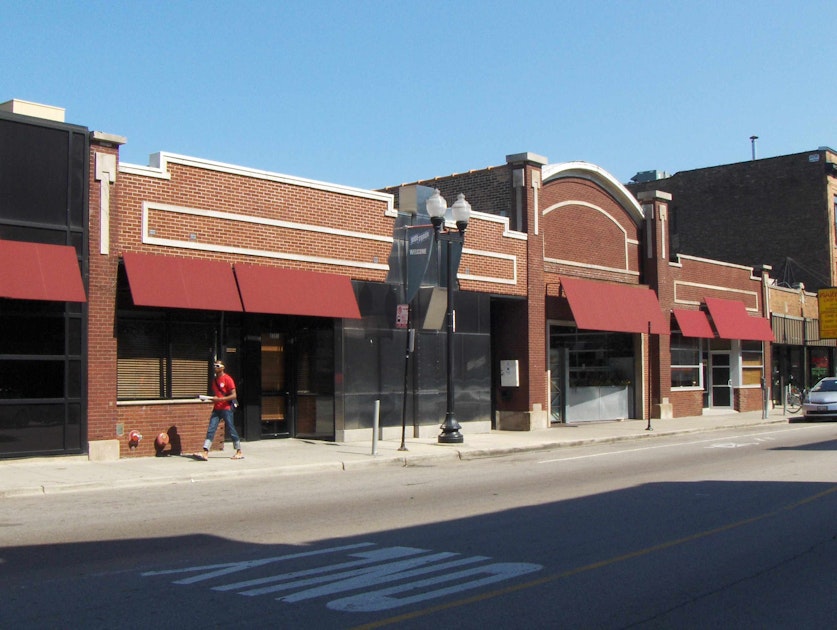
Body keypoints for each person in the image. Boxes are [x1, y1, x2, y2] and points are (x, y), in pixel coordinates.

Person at [196, 360, 243, 460]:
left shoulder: (228, 379)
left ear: (223, 367)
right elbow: (217, 395)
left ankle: (239, 451)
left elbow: (234, 395)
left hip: (226, 408)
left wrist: (221, 399)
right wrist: (210, 398)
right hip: (217, 408)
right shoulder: (214, 381)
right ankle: (205, 451)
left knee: (231, 428)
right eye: (214, 366)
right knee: (211, 429)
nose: (215, 367)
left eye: (217, 366)